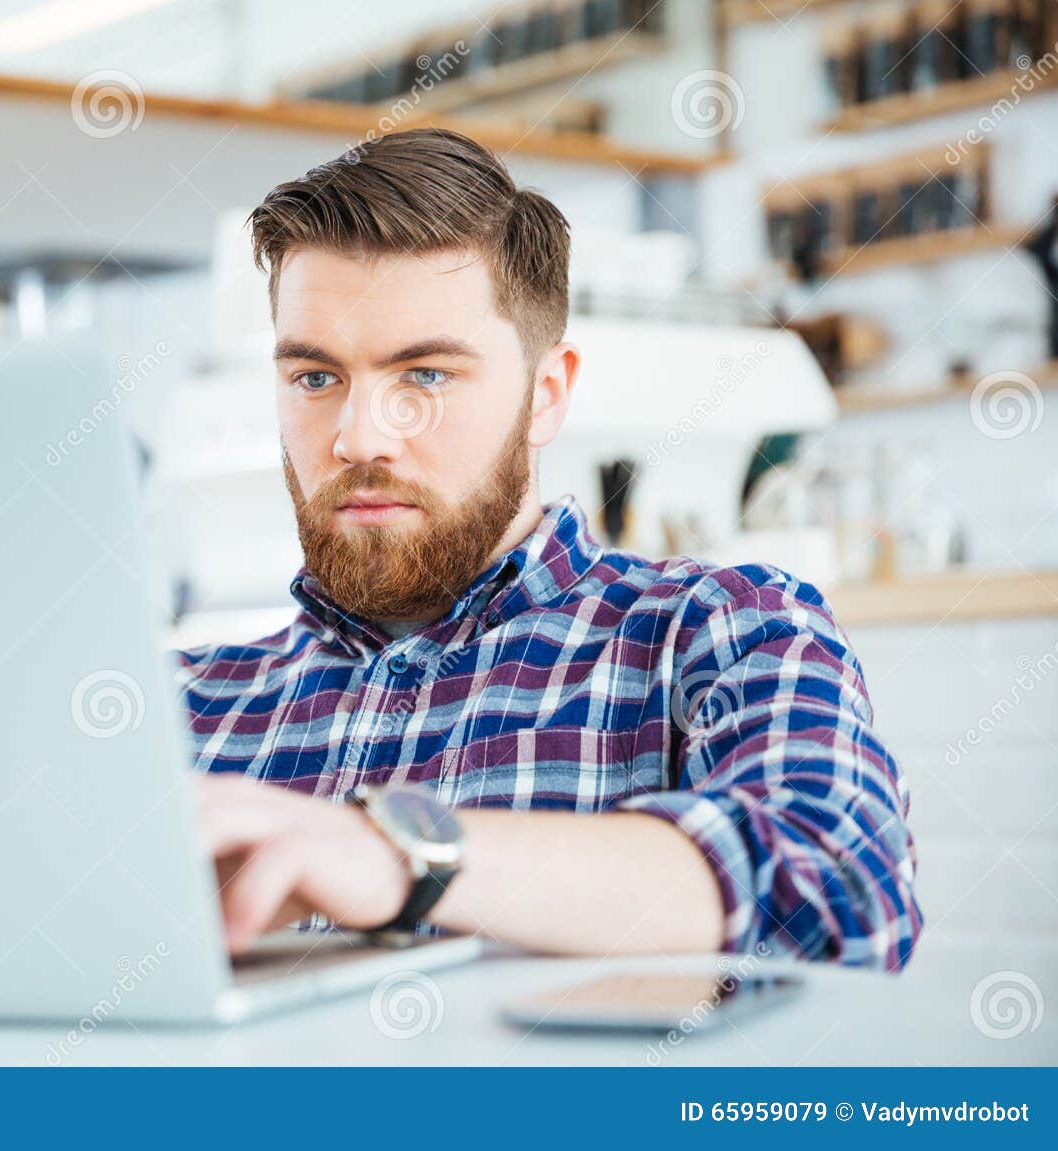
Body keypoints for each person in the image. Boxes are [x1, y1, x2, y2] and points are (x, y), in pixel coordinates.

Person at [180, 128, 922, 970]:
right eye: (316, 378)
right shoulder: (183, 712)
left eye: (426, 375)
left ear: (546, 395)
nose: (359, 438)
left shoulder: (723, 631)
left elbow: (842, 898)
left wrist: (400, 852)